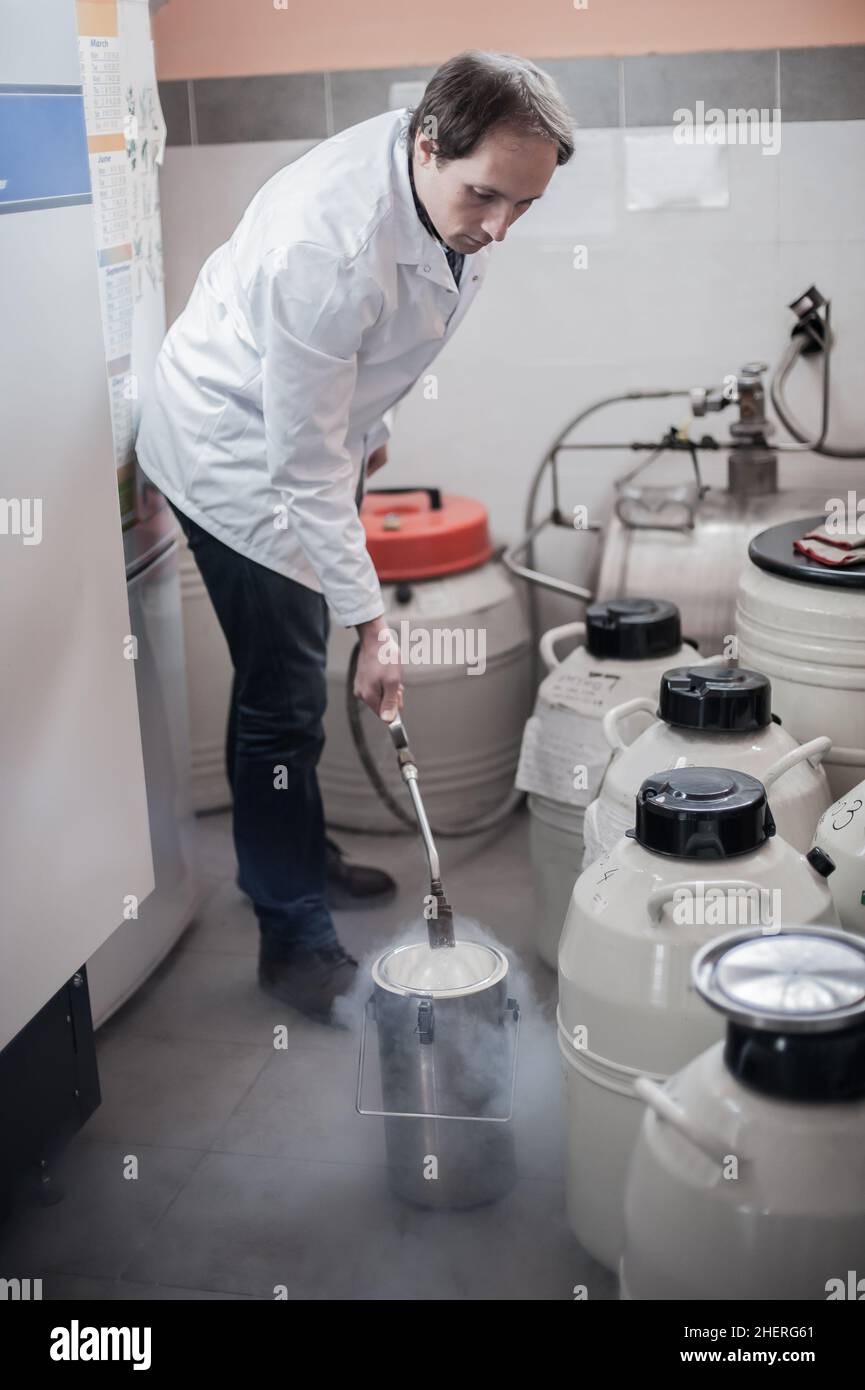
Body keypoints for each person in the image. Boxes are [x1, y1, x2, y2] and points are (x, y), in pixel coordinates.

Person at [135, 50, 574, 1024]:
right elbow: (296, 471)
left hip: (295, 442)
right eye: (487, 196)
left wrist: (368, 436)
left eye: (524, 207)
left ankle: (293, 852)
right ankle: (290, 932)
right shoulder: (326, 246)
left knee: (281, 681)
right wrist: (372, 625)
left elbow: (368, 360)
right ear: (428, 145)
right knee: (285, 693)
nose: (499, 227)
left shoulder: (440, 202)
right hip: (229, 457)